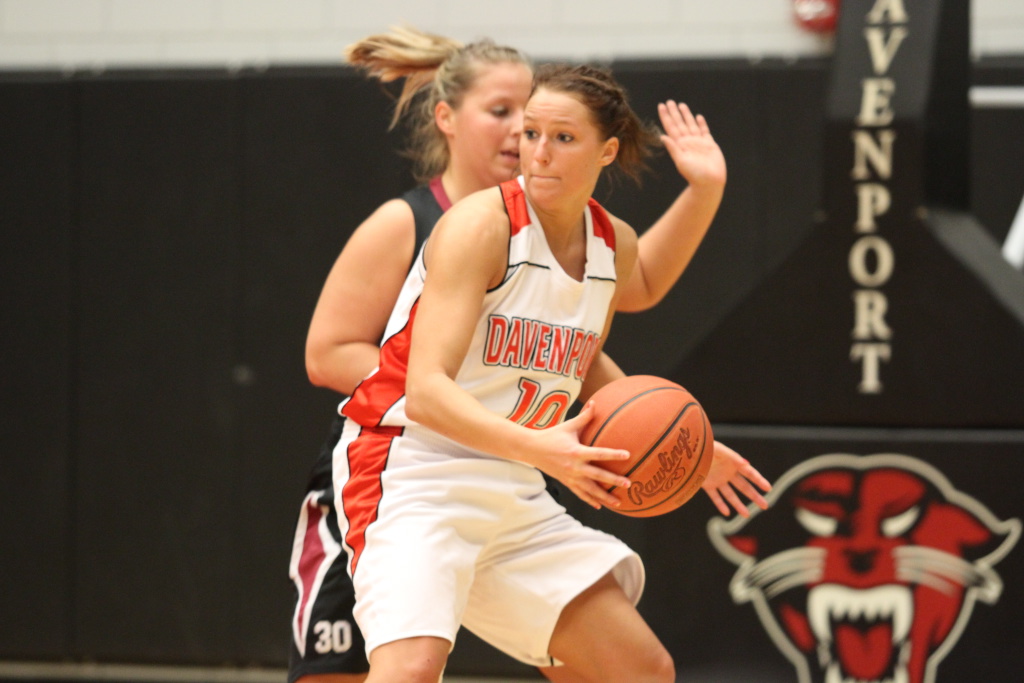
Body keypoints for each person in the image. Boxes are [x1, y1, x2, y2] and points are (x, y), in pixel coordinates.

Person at [289, 27, 770, 683]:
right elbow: (423, 392)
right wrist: (545, 450)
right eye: (531, 132)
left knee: (639, 669)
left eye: (562, 137)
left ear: (606, 150)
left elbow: (596, 342)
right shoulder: (479, 224)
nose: (536, 150)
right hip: (414, 471)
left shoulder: (609, 244)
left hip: (511, 479)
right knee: (410, 670)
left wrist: (692, 448)